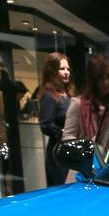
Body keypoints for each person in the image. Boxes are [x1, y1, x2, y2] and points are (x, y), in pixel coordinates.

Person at [62, 54, 109, 179]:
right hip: (83, 170)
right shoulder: (78, 104)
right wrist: (87, 146)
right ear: (92, 80)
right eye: (100, 78)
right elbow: (67, 139)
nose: (106, 82)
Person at [38, 54, 73, 186]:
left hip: (70, 151)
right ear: (53, 71)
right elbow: (45, 125)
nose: (66, 73)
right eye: (62, 69)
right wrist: (64, 133)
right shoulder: (49, 96)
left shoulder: (69, 95)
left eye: (68, 69)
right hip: (58, 154)